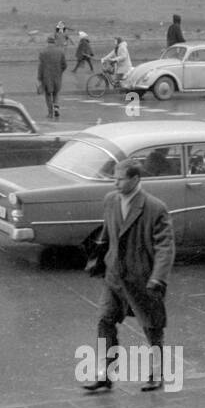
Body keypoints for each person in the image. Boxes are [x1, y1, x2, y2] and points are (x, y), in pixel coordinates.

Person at [83, 158, 175, 393]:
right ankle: (106, 374)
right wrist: (99, 254)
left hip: (142, 280)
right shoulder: (111, 200)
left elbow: (165, 247)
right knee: (105, 321)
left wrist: (158, 278)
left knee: (152, 327)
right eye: (114, 177)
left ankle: (156, 374)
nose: (115, 183)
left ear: (135, 179)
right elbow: (107, 232)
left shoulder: (155, 208)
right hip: (114, 277)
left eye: (120, 178)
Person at [36, 34, 66, 118]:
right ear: (54, 42)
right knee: (56, 93)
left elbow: (41, 66)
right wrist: (60, 72)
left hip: (47, 77)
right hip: (57, 76)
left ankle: (50, 113)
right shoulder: (60, 51)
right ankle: (56, 107)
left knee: (48, 95)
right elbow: (64, 65)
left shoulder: (43, 52)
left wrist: (39, 77)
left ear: (47, 42)